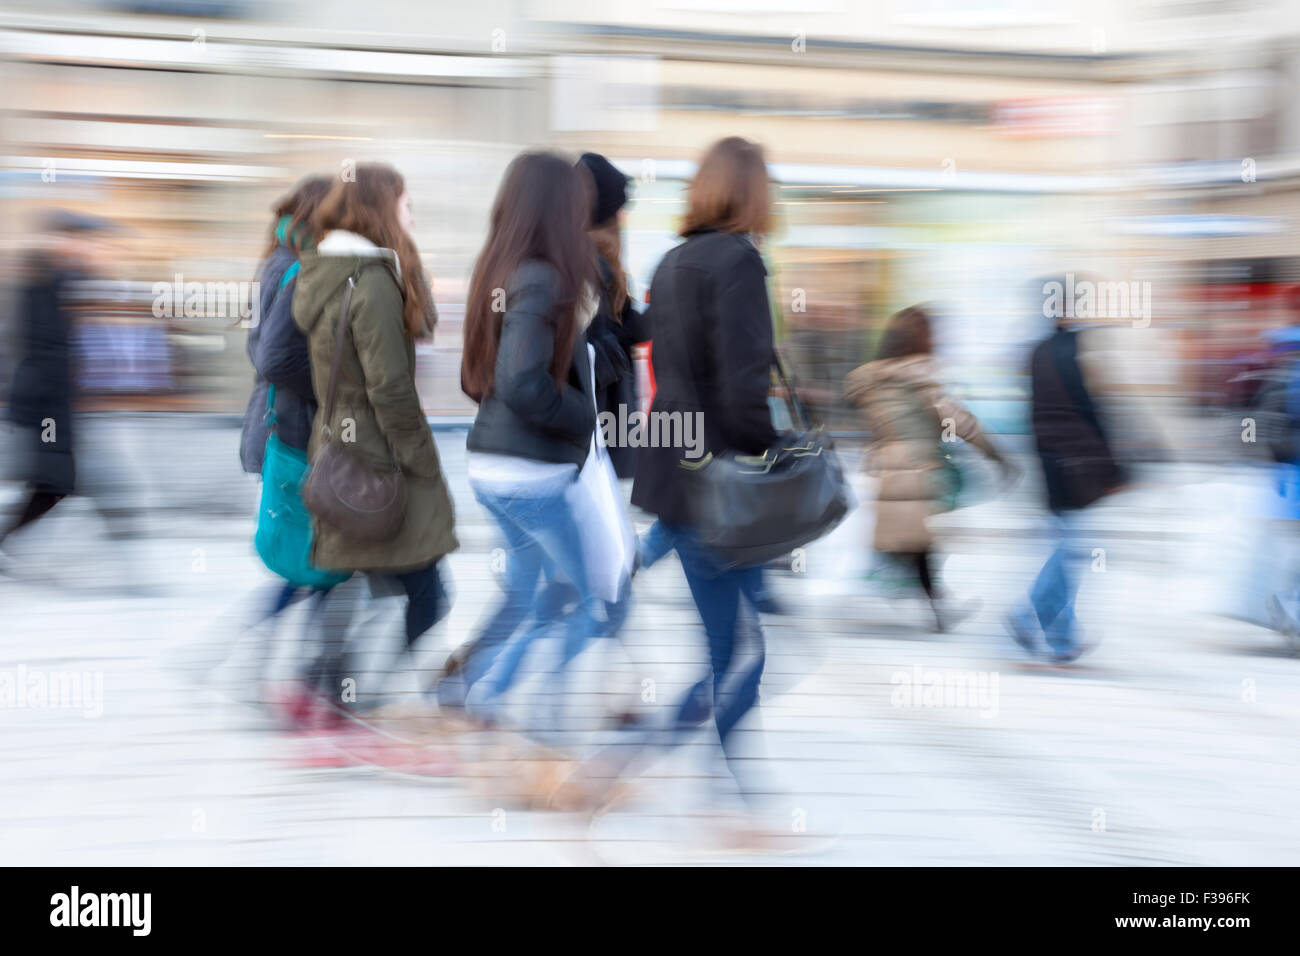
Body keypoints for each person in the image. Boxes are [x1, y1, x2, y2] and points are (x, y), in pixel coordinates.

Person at [624, 136, 781, 806]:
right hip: (722, 483)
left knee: (732, 647)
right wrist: (769, 452)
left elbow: (668, 370)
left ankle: (719, 790)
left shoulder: (672, 260)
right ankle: (716, 795)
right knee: (739, 653)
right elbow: (744, 387)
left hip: (675, 473)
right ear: (753, 191)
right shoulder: (740, 261)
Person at [292, 163, 457, 709]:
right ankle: (358, 700)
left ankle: (327, 689)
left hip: (338, 450)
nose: (412, 215)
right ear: (381, 209)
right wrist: (422, 461)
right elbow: (389, 386)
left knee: (364, 579)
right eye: (406, 205)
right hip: (378, 459)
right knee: (428, 592)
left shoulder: (328, 272)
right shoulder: (372, 283)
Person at [453, 150, 605, 735]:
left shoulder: (499, 267)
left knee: (527, 594)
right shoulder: (541, 276)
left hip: (495, 464)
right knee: (583, 598)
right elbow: (520, 380)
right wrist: (581, 415)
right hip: (530, 472)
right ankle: (533, 726)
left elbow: (486, 377)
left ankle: (460, 690)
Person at [845, 305, 1017, 632]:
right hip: (918, 468)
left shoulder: (872, 380)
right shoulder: (919, 378)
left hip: (888, 468)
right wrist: (996, 454)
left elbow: (876, 424)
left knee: (917, 542)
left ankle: (927, 601)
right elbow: (957, 420)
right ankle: (928, 602)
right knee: (922, 541)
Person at [1005, 286, 1123, 663]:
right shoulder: (1073, 352)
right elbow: (1090, 410)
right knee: (1069, 548)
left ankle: (1062, 638)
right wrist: (1114, 466)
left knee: (1065, 542)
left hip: (1048, 458)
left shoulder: (1037, 351)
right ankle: (1027, 615)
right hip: (1073, 463)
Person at [1, 211, 111, 557]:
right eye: (77, 240)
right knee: (54, 483)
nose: (86, 248)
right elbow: (48, 351)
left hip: (53, 408)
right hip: (45, 410)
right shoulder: (43, 285)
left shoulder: (58, 282)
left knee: (54, 484)